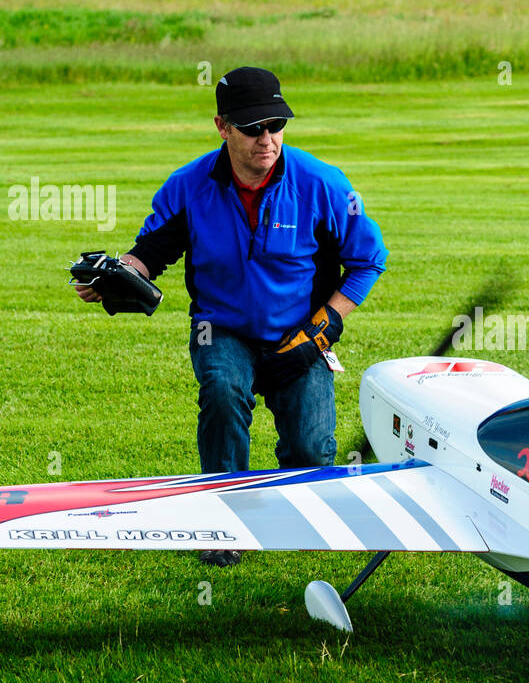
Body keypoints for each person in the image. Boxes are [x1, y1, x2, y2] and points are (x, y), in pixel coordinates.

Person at [76, 66, 387, 565]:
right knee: (222, 394)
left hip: (301, 333)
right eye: (252, 128)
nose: (268, 139)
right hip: (219, 327)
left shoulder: (323, 184)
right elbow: (151, 252)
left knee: (311, 453)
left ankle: (293, 515)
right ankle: (222, 524)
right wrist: (117, 273)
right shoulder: (188, 186)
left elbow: (368, 260)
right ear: (222, 127)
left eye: (276, 124)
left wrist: (326, 323)